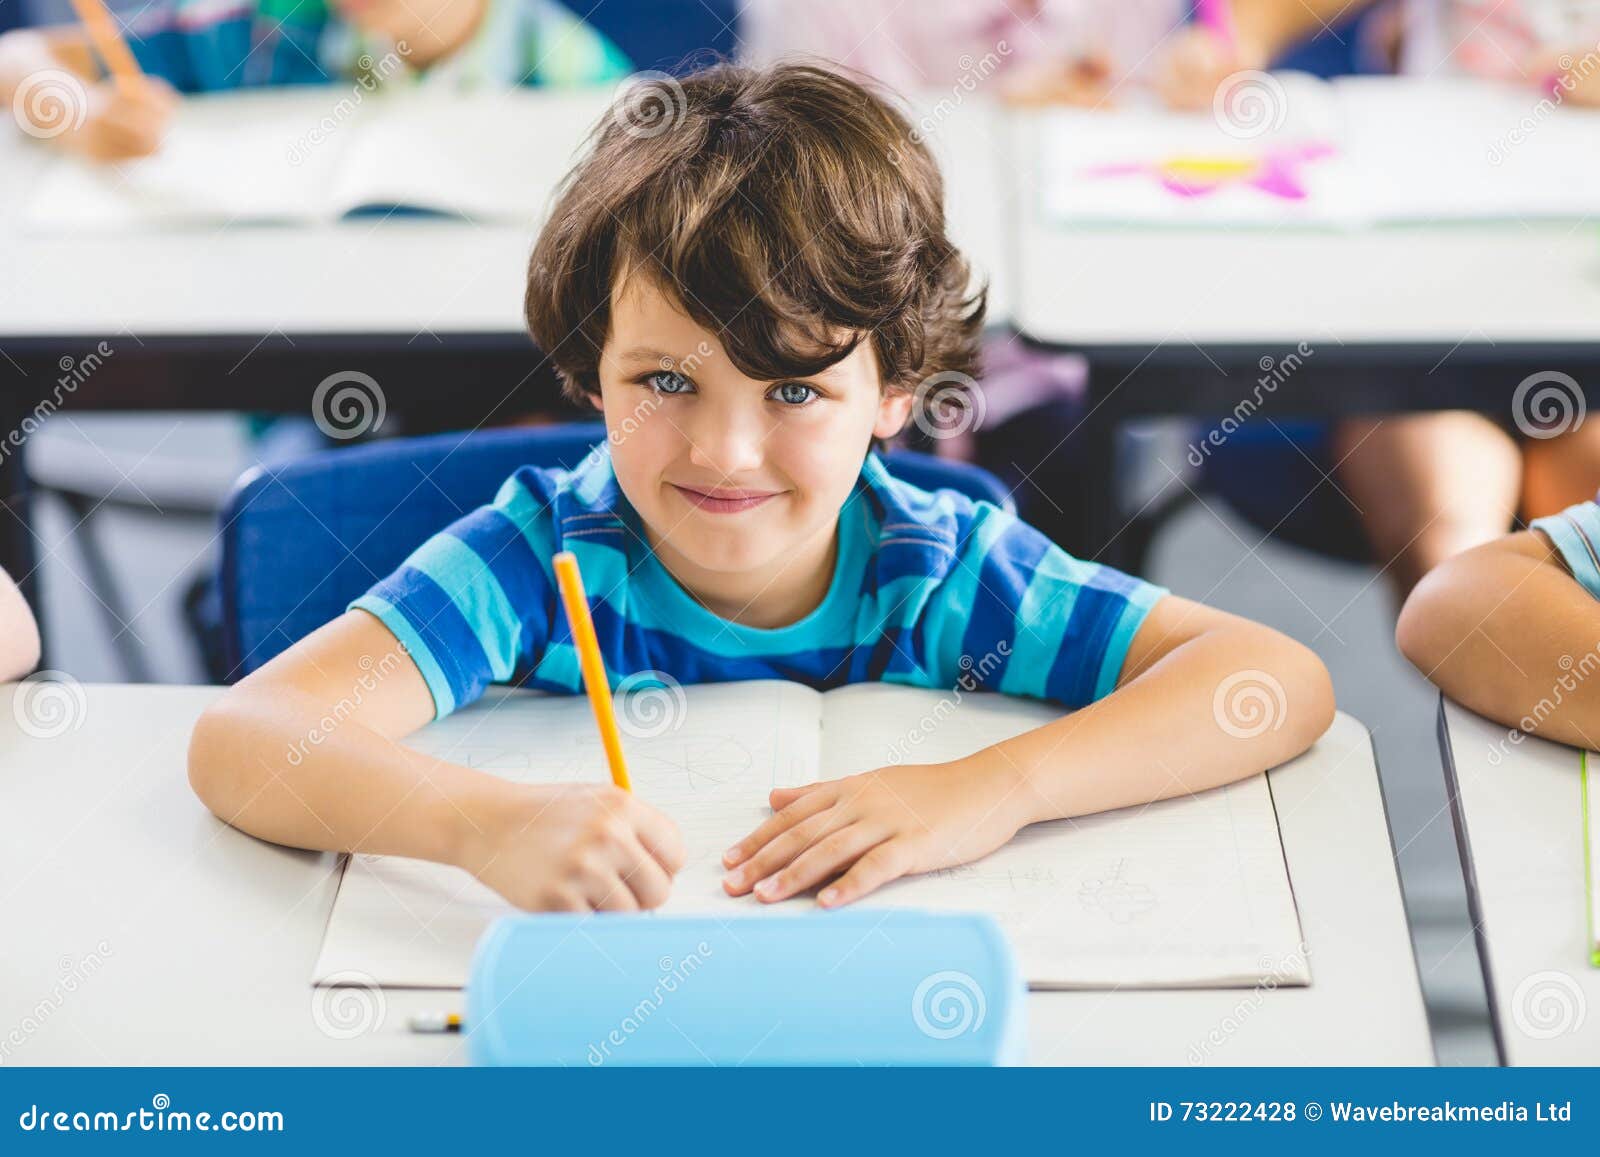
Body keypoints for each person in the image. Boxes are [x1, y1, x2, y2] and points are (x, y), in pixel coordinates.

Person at [187, 62, 1334, 912]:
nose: (725, 454)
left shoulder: (939, 574)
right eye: (666, 381)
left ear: (895, 391)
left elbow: (1271, 678)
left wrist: (998, 785)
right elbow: (249, 736)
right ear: (591, 369)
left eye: (793, 392)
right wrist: (478, 823)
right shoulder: (540, 562)